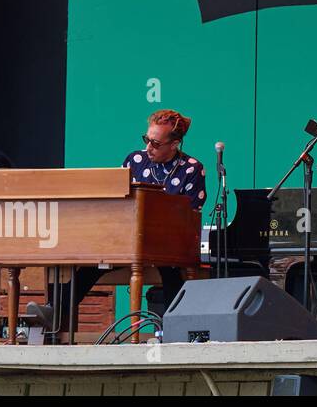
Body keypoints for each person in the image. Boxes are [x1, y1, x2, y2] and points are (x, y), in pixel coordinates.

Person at [26, 109, 207, 333]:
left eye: (156, 143)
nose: (149, 147)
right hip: (131, 239)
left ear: (175, 144)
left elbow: (190, 214)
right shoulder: (135, 160)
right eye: (147, 140)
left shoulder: (192, 168)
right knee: (95, 264)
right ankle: (54, 311)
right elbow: (119, 202)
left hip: (169, 243)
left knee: (170, 269)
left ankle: (173, 329)